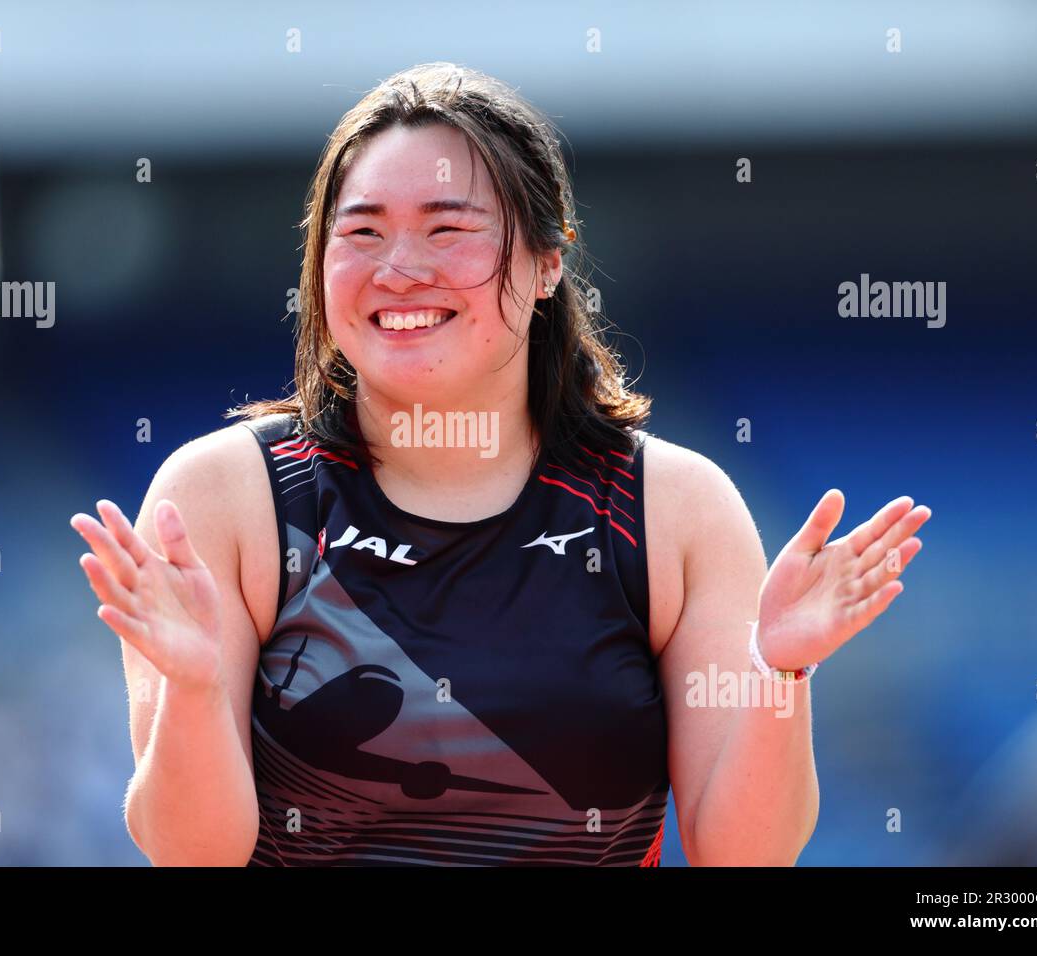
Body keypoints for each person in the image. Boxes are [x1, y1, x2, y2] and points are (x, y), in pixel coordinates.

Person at [69, 62, 931, 866]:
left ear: (549, 262)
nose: (399, 269)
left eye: (448, 229)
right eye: (362, 232)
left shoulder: (673, 507)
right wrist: (189, 688)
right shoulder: (226, 497)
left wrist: (780, 675)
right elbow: (194, 852)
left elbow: (741, 851)